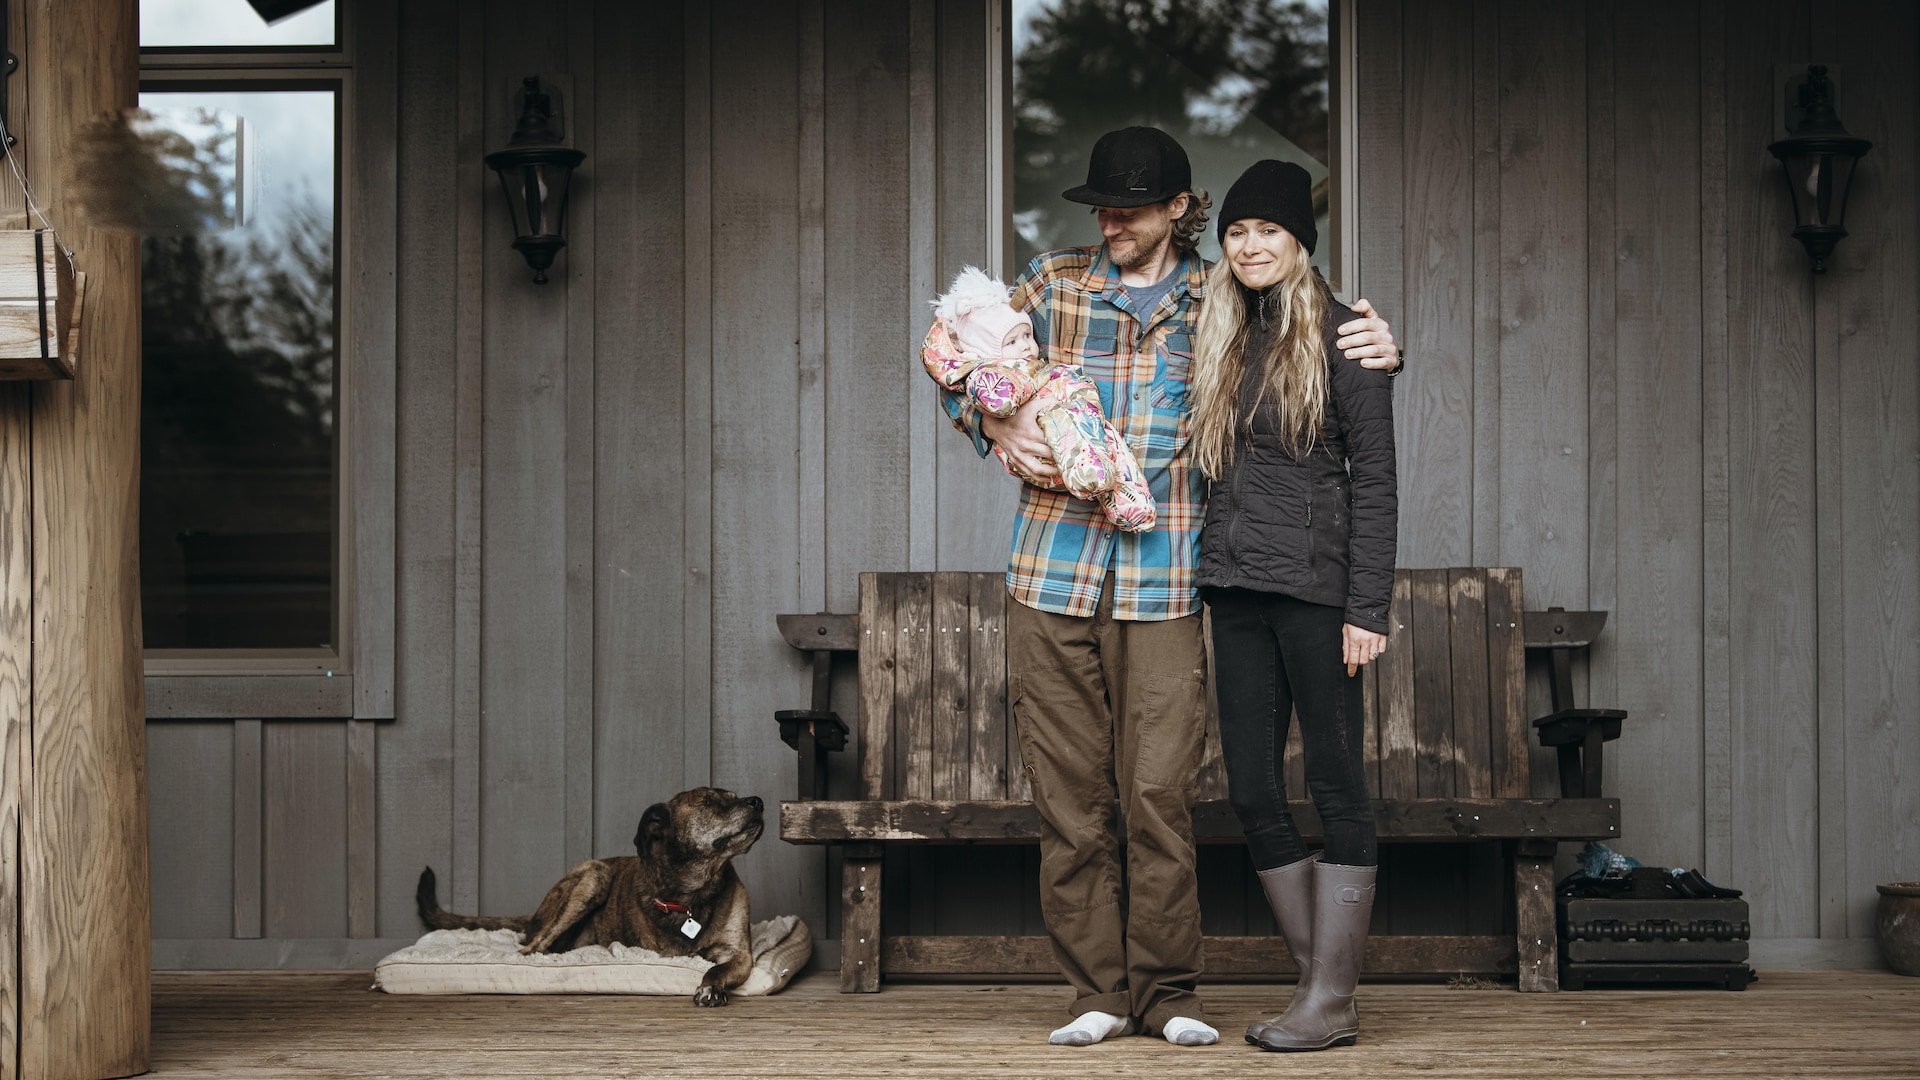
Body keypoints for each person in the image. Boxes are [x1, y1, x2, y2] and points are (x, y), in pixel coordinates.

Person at [936, 127, 1400, 1048]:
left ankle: (1166, 993)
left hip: (1167, 580)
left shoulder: (1220, 295)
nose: (1112, 223)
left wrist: (1383, 345)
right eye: (1102, 208)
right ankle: (1097, 994)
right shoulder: (1050, 284)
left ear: (1180, 210)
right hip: (1051, 574)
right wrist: (990, 426)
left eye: (1132, 209)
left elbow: (1313, 342)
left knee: (1157, 797)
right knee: (1070, 804)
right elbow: (950, 345)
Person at [1188, 159, 1397, 1052]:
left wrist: (1368, 608)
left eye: (1268, 230)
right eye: (1237, 232)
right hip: (1235, 589)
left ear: (1300, 242)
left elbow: (1376, 482)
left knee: (1336, 784)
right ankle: (1322, 989)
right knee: (1251, 788)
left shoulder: (1349, 338)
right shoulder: (1219, 331)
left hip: (1317, 591)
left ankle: (1329, 997)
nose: (1251, 245)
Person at [922, 266, 1155, 532]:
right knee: (1064, 419)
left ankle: (1131, 505)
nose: (1026, 345)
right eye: (1012, 342)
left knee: (1108, 442)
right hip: (1052, 528)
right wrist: (990, 422)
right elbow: (952, 384)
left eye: (1027, 336)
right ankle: (1089, 469)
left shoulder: (1204, 293)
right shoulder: (1049, 278)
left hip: (1162, 535)